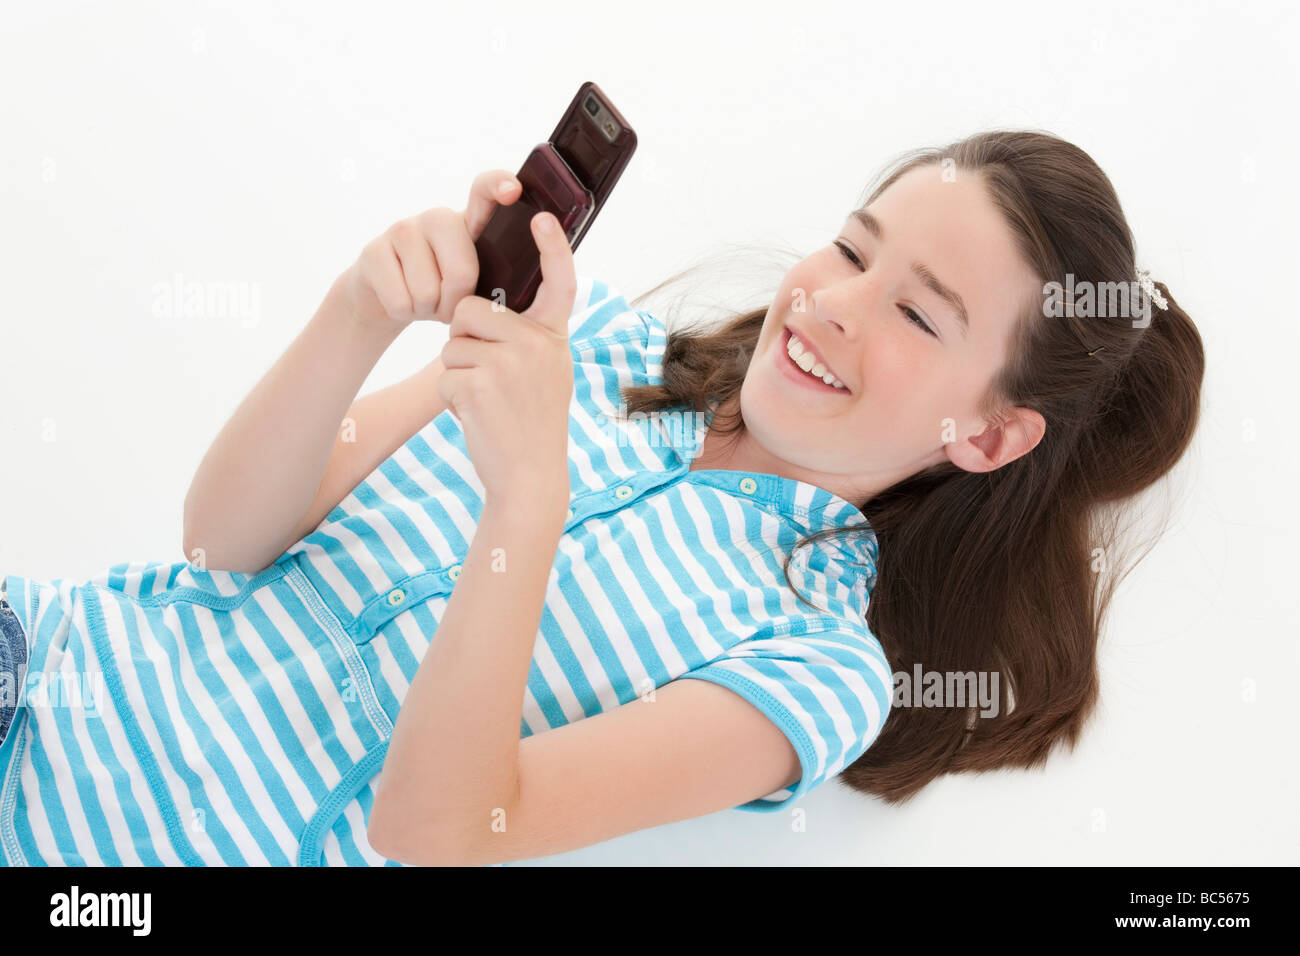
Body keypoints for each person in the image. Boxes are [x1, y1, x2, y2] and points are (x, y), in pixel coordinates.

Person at [0, 128, 1205, 867]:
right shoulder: (601, 343)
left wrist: (525, 503)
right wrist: (359, 313)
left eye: (915, 310)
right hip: (40, 654)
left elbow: (441, 825)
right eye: (851, 248)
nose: (834, 300)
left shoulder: (816, 665)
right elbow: (220, 540)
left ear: (990, 433)